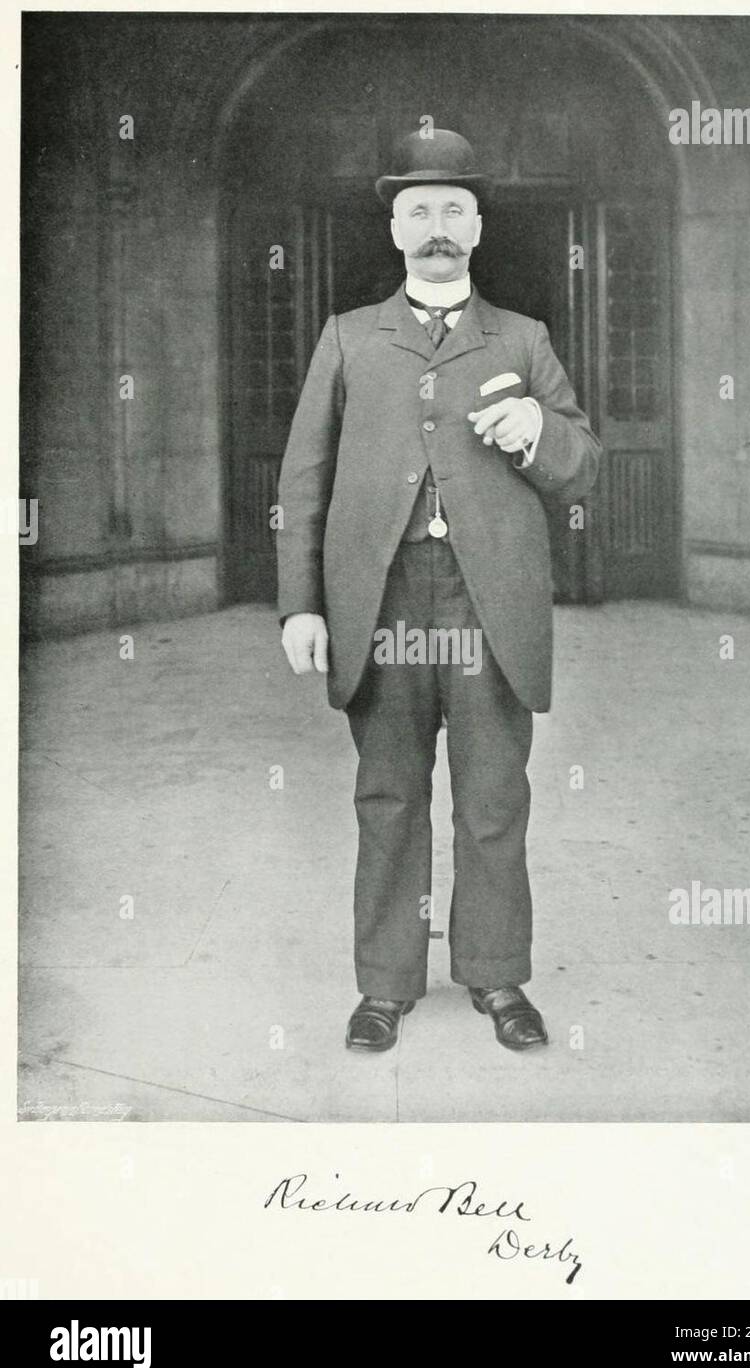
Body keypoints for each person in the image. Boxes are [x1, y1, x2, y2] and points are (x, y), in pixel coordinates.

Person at [277, 129, 602, 1053]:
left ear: (478, 227)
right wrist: (303, 603)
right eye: (418, 211)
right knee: (387, 795)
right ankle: (384, 986)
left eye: (453, 210)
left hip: (485, 601)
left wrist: (539, 426)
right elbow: (304, 480)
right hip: (379, 604)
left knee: (494, 796)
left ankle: (498, 979)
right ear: (393, 229)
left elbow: (580, 469)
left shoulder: (524, 339)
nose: (436, 228)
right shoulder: (348, 337)